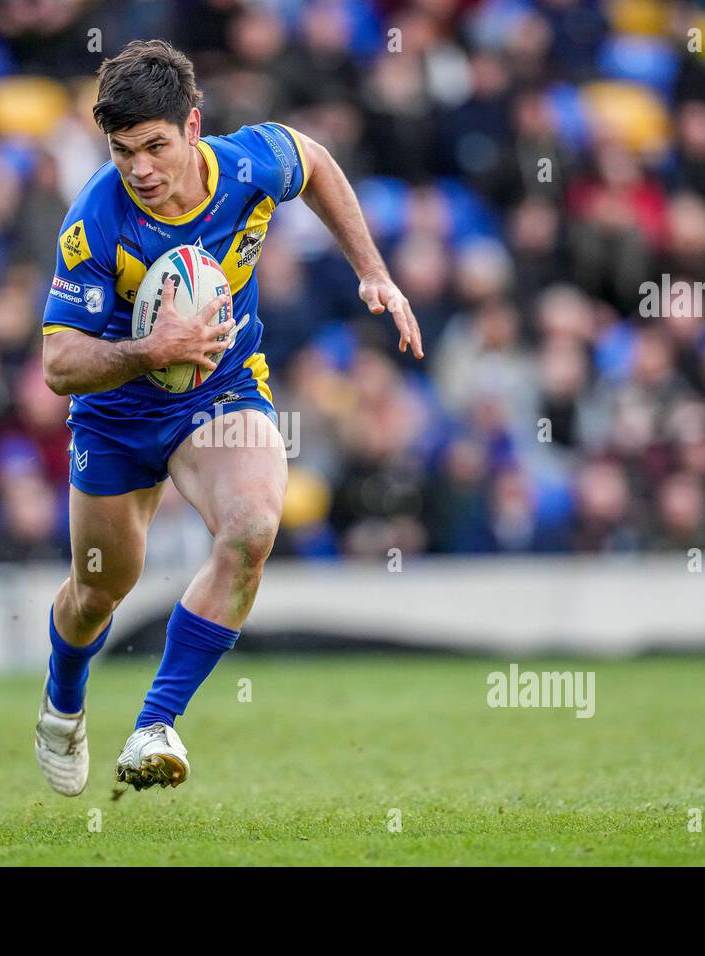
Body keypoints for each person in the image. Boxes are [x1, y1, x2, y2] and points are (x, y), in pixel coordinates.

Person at [34, 39, 423, 796]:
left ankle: (156, 723)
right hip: (116, 414)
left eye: (154, 146)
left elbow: (317, 163)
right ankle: (63, 701)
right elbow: (58, 365)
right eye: (122, 151)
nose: (140, 168)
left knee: (250, 528)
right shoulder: (95, 221)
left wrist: (372, 270)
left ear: (192, 127)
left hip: (221, 389)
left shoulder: (248, 164)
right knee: (99, 590)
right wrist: (153, 348)